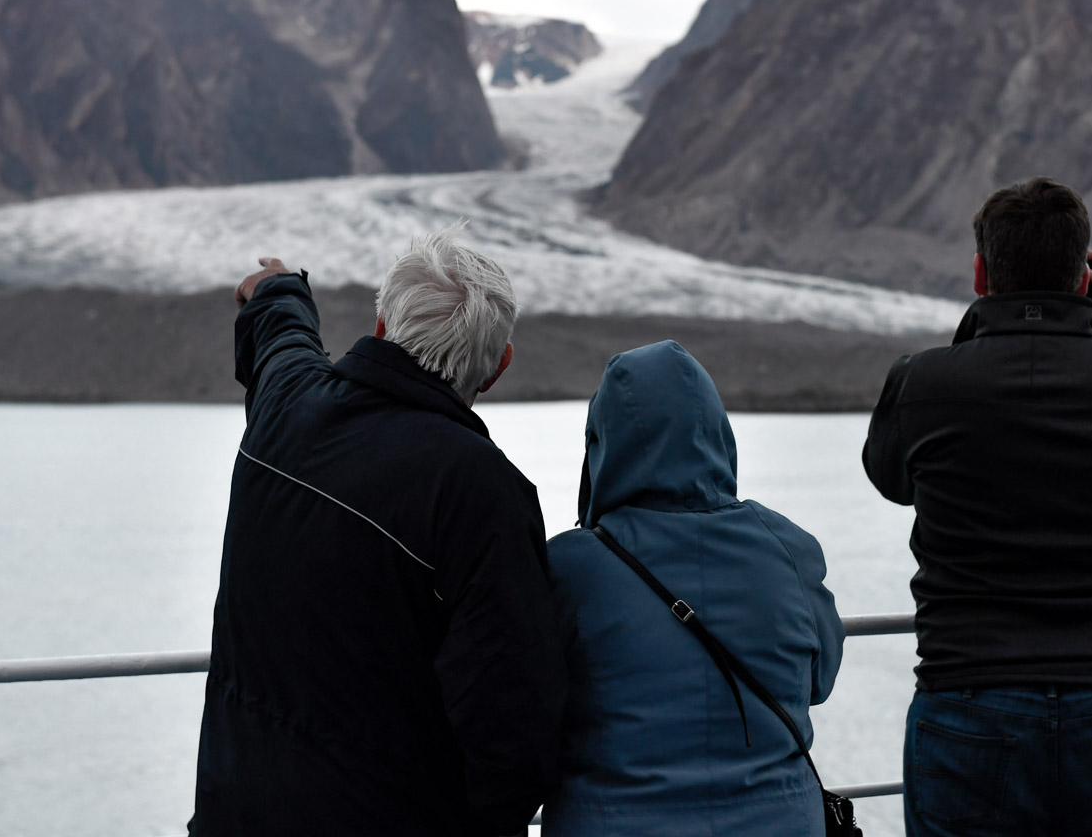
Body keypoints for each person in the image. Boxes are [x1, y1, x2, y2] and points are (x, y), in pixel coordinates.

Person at [863, 178, 1092, 837]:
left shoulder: (920, 383)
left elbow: (891, 478)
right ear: (1086, 278)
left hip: (968, 704)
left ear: (980, 273)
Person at [188, 227, 566, 837]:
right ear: (497, 369)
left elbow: (282, 341)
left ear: (384, 329)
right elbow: (513, 727)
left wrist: (277, 288)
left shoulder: (289, 407)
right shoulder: (484, 493)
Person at [540, 340, 846, 837]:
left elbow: (532, 706)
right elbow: (819, 679)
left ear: (602, 444)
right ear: (717, 433)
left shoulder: (569, 568)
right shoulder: (789, 548)